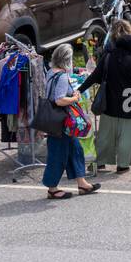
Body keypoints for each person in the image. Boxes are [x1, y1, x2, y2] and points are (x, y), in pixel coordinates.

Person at [80, 20, 131, 173]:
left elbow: (94, 77)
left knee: (105, 135)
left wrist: (80, 89)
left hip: (109, 101)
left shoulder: (108, 57)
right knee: (127, 135)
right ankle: (122, 164)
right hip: (128, 103)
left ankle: (99, 162)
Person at [43, 44, 101, 199]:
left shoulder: (51, 72)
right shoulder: (62, 76)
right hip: (62, 121)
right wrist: (75, 98)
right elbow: (60, 99)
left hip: (56, 120)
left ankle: (82, 183)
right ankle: (52, 188)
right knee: (58, 154)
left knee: (75, 150)